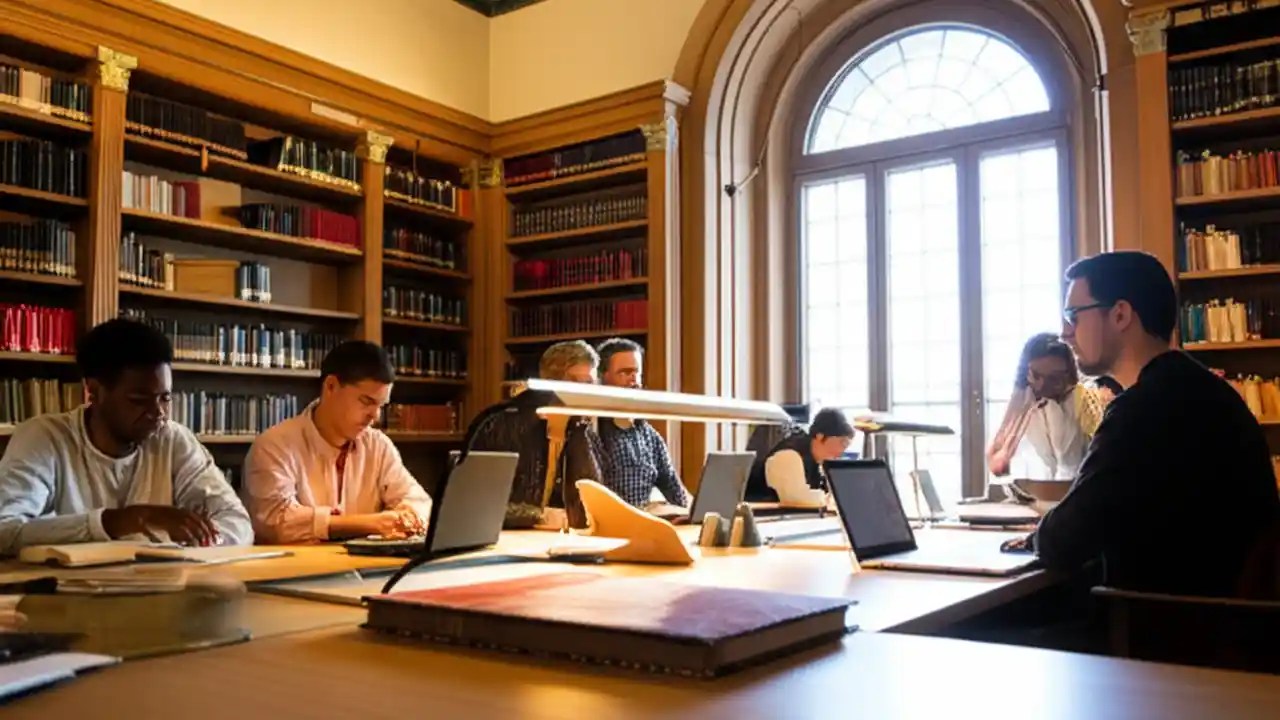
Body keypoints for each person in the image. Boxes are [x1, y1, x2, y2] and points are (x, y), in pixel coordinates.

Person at [1020, 251, 1279, 597]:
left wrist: (1038, 532)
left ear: (1120, 314)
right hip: (1226, 626)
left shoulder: (1141, 411)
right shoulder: (1208, 392)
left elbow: (1064, 539)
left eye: (1073, 316)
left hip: (1166, 629)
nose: (1066, 333)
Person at [0, 319, 251, 555]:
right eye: (139, 400)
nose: (158, 413)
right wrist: (117, 522)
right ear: (94, 391)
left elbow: (237, 521)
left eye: (165, 398)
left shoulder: (173, 440)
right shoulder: (44, 438)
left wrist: (197, 541)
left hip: (161, 591)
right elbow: (5, 531)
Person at [244, 341, 432, 544]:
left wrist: (407, 514)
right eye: (366, 402)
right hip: (297, 571)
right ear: (331, 386)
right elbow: (278, 523)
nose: (375, 416)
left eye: (381, 405)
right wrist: (374, 524)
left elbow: (419, 502)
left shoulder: (378, 445)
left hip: (368, 570)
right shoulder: (275, 446)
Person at [986, 333, 1112, 481]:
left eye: (1054, 378)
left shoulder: (1087, 401)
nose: (1042, 385)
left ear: (1069, 373)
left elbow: (1072, 468)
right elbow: (999, 461)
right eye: (1036, 375)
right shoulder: (1023, 404)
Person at [594, 338, 691, 512]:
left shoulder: (648, 435)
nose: (633, 380)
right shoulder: (594, 431)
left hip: (644, 522)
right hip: (607, 524)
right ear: (603, 378)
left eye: (637, 373)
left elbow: (673, 487)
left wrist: (695, 514)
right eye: (624, 372)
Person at [746, 408, 855, 506]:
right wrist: (830, 499)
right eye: (842, 443)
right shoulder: (788, 455)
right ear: (820, 436)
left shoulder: (819, 463)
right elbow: (798, 498)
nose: (842, 451)